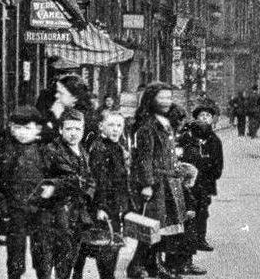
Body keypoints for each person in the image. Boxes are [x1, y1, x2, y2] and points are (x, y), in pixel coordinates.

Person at [130, 84, 190, 279]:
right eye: (161, 98)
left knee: (162, 226)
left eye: (168, 98)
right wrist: (146, 184)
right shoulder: (148, 126)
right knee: (153, 225)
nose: (166, 102)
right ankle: (141, 266)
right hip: (156, 183)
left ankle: (152, 264)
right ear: (151, 100)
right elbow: (144, 158)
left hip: (168, 182)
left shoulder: (166, 123)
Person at [170, 104, 223, 275]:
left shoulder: (211, 140)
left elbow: (217, 165)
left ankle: (187, 255)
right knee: (186, 222)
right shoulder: (186, 142)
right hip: (187, 188)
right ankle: (182, 261)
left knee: (197, 216)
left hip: (201, 185)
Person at [1, 107, 53, 279]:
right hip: (16, 209)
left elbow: (53, 177)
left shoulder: (44, 151)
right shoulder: (8, 152)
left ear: (37, 129)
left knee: (43, 250)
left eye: (27, 128)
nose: (21, 133)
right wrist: (0, 207)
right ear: (11, 128)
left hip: (41, 209)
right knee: (15, 251)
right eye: (17, 128)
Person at [43, 110, 95, 279]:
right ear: (60, 129)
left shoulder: (83, 152)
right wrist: (70, 184)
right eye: (69, 129)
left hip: (79, 212)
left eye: (78, 129)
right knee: (58, 255)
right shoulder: (51, 151)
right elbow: (43, 182)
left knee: (72, 254)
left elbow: (90, 180)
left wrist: (87, 190)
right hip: (58, 212)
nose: (73, 133)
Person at [84, 111, 131, 279]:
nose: (115, 129)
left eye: (119, 125)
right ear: (101, 126)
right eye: (111, 125)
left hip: (115, 204)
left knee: (112, 244)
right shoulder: (100, 148)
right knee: (106, 247)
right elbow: (100, 180)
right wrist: (101, 207)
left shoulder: (117, 147)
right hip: (105, 206)